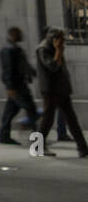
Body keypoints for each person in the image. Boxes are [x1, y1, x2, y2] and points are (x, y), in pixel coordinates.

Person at [34, 27, 88, 158]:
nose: (64, 42)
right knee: (48, 119)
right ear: (55, 39)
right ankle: (37, 146)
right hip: (51, 90)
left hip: (61, 89)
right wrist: (58, 50)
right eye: (62, 39)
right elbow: (52, 66)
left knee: (71, 119)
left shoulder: (54, 47)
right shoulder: (43, 49)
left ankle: (83, 148)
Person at [0, 27, 39, 144]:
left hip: (18, 85)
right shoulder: (9, 50)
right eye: (19, 33)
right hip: (18, 86)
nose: (22, 35)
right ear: (13, 35)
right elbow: (8, 70)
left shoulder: (15, 49)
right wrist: (10, 87)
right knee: (31, 110)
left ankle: (4, 136)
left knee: (10, 112)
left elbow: (23, 65)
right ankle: (37, 138)